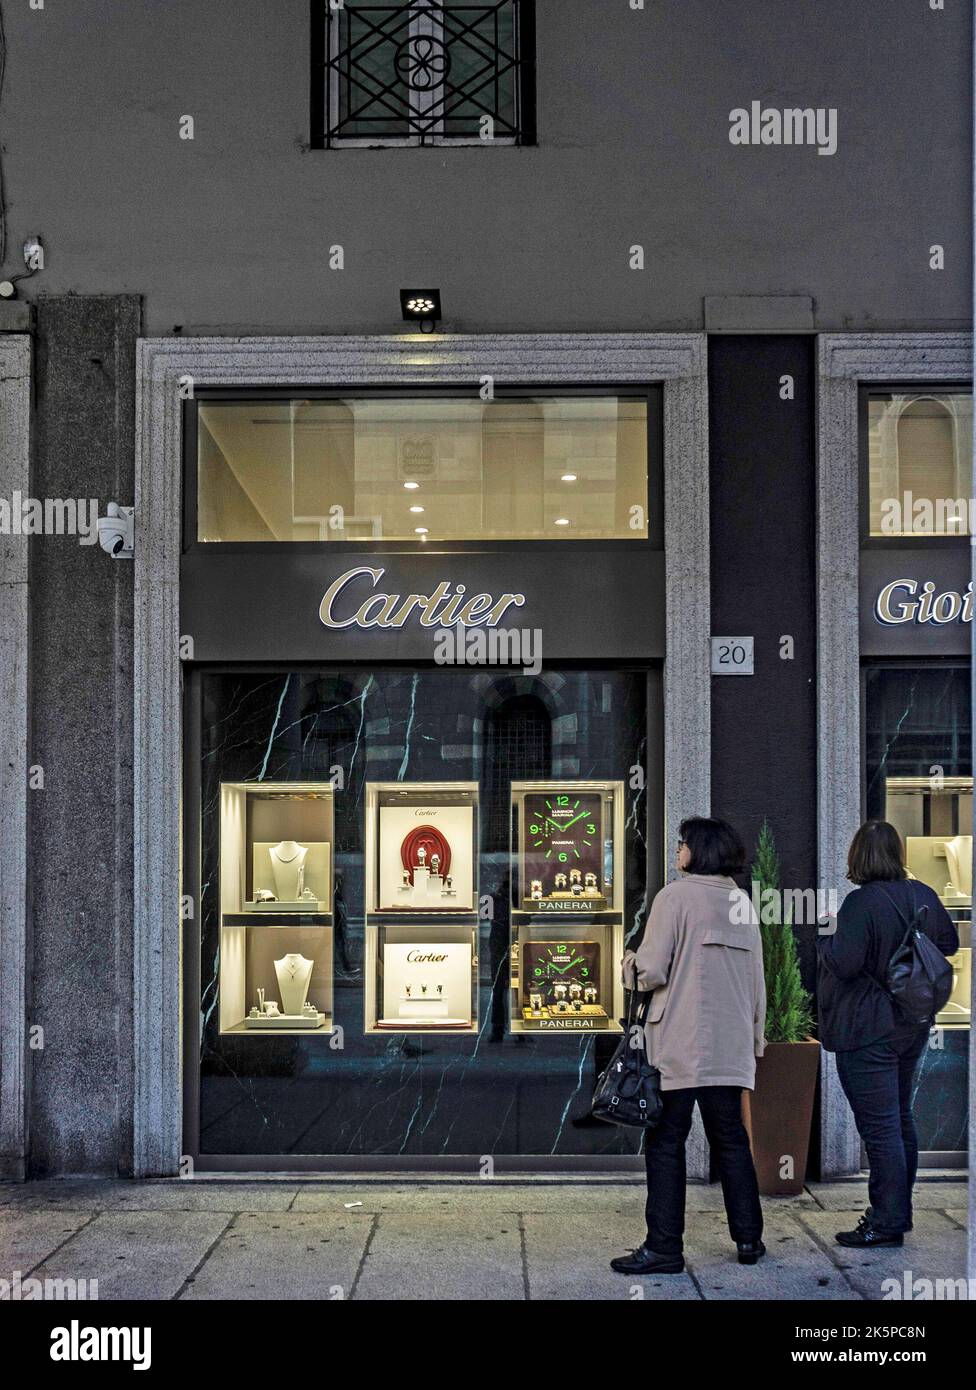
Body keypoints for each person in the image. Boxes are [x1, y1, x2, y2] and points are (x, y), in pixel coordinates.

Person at [611, 816, 766, 1276]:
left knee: (665, 1142)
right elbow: (757, 981)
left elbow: (651, 971)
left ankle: (664, 1247)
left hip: (678, 1043)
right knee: (732, 1141)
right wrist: (755, 1039)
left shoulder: (674, 897)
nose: (677, 850)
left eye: (682, 844)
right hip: (729, 1046)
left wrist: (627, 962)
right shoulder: (742, 903)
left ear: (698, 850)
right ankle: (749, 1239)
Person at [817, 819, 959, 1248]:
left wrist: (826, 933)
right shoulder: (924, 895)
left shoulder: (861, 904)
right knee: (900, 1120)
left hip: (867, 1029)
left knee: (880, 1129)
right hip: (911, 1023)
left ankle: (886, 1220)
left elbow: (843, 964)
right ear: (898, 854)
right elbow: (949, 944)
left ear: (858, 856)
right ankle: (896, 1212)